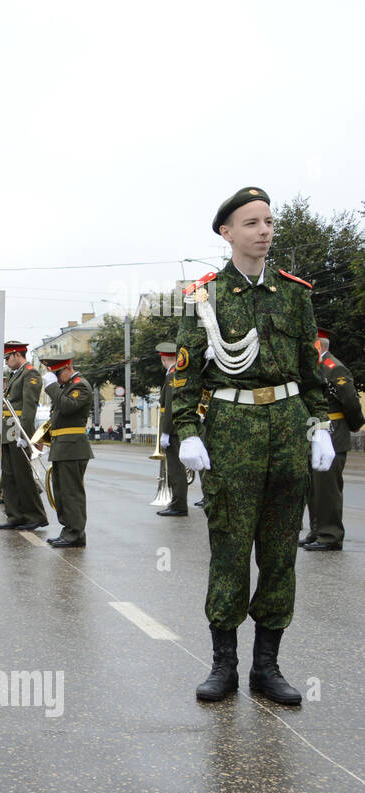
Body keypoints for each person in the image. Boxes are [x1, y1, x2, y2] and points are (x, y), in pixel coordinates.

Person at [174, 187, 332, 706]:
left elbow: (312, 374)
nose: (264, 231)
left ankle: (268, 666)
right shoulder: (205, 296)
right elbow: (183, 374)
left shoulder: (294, 293)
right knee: (230, 549)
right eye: (251, 223)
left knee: (281, 552)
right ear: (227, 233)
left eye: (268, 221)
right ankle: (224, 665)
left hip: (287, 428)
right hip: (231, 426)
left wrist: (320, 425)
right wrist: (188, 430)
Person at [301, 328, 363, 550]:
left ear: (319, 346)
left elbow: (351, 403)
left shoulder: (334, 368)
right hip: (314, 429)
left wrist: (355, 425)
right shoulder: (315, 367)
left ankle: (330, 536)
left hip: (333, 432)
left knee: (327, 488)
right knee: (314, 487)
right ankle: (316, 531)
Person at [40, 354, 92, 548]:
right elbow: (57, 418)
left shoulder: (80, 386)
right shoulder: (66, 387)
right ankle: (68, 530)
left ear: (68, 367)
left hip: (73, 447)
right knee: (61, 493)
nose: (56, 377)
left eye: (58, 372)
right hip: (62, 446)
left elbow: (67, 407)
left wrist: (52, 387)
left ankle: (76, 534)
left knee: (71, 493)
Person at [0, 341, 48, 532]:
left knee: (23, 476)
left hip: (18, 431)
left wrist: (24, 435)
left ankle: (35, 516)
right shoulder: (14, 375)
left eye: (8, 358)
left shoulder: (30, 374)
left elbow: (29, 408)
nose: (6, 362)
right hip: (8, 431)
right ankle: (15, 515)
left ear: (18, 355)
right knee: (9, 476)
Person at [155, 342, 189, 516]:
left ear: (164, 358)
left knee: (176, 468)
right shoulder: (176, 374)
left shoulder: (172, 376)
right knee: (177, 467)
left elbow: (169, 406)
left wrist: (166, 431)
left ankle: (178, 505)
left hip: (173, 428)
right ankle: (177, 502)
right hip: (176, 426)